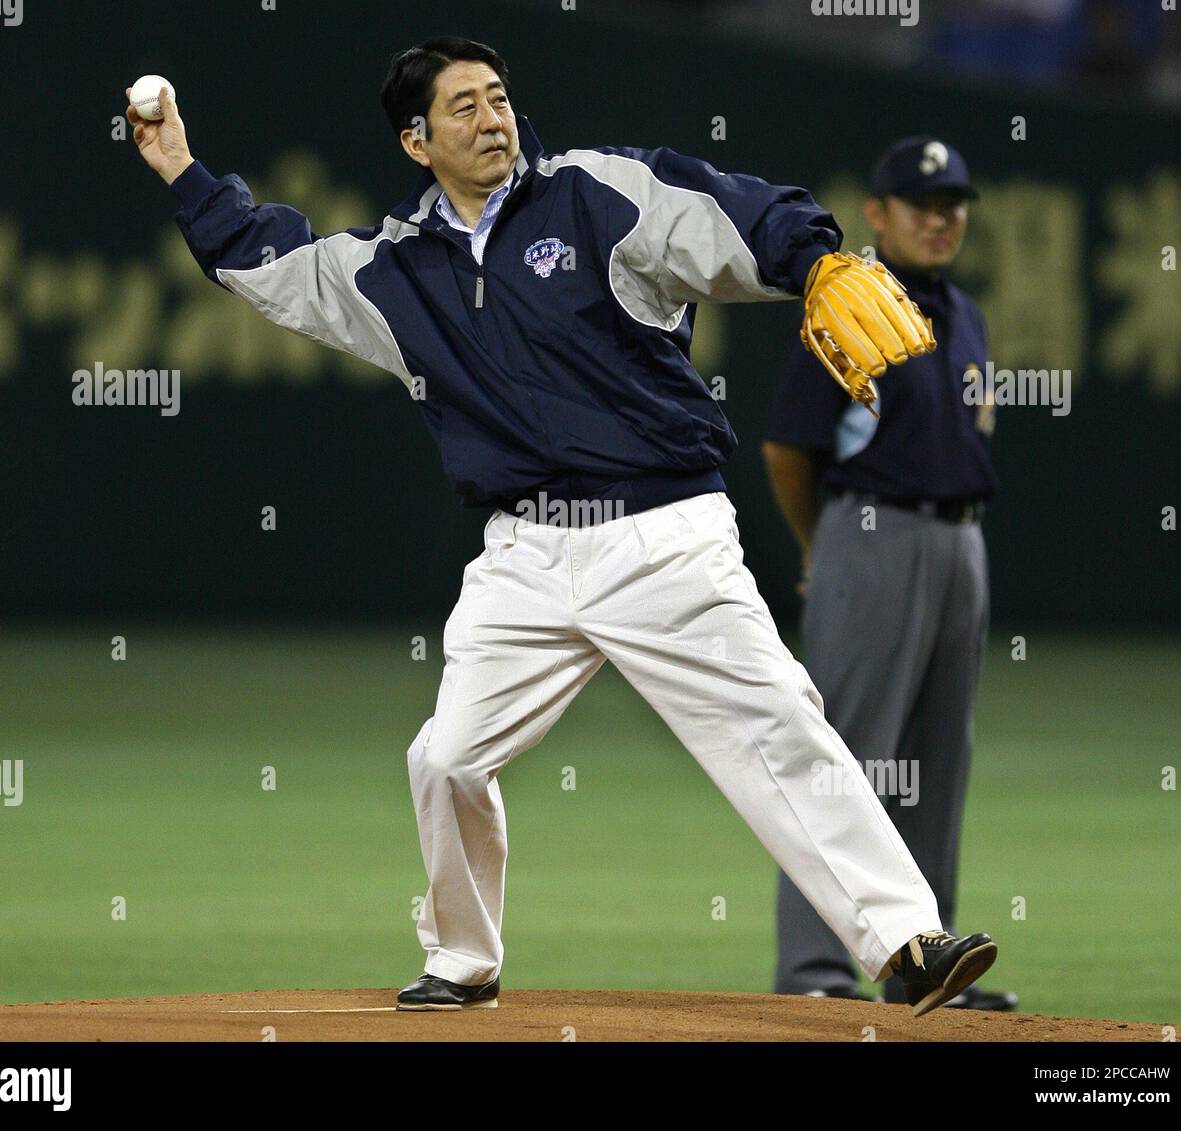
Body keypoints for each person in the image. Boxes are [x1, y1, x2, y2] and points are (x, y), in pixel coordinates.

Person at [127, 38, 998, 1016]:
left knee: (778, 723)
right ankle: (463, 958)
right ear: (415, 142)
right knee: (445, 758)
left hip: (661, 532)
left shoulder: (594, 195)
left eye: (496, 97)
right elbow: (269, 263)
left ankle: (906, 940)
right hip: (525, 555)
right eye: (461, 107)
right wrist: (179, 169)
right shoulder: (398, 269)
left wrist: (812, 257)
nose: (491, 117)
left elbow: (723, 206)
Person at [763, 136, 1017, 1010]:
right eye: (922, 204)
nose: (941, 218)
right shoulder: (850, 300)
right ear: (877, 213)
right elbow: (786, 446)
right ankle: (818, 973)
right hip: (869, 537)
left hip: (960, 545)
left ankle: (928, 965)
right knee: (846, 764)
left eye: (953, 204)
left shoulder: (967, 311)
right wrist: (823, 547)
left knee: (939, 761)